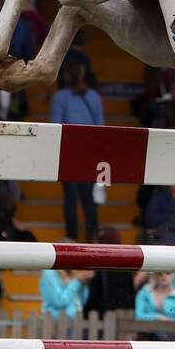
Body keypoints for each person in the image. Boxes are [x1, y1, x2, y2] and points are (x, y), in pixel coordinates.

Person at [50, 61, 104, 240]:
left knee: (71, 198)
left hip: (69, 153)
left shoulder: (60, 97)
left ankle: (72, 239)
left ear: (66, 77)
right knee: (89, 199)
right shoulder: (94, 97)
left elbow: (56, 126)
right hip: (90, 154)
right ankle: (93, 239)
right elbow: (101, 128)